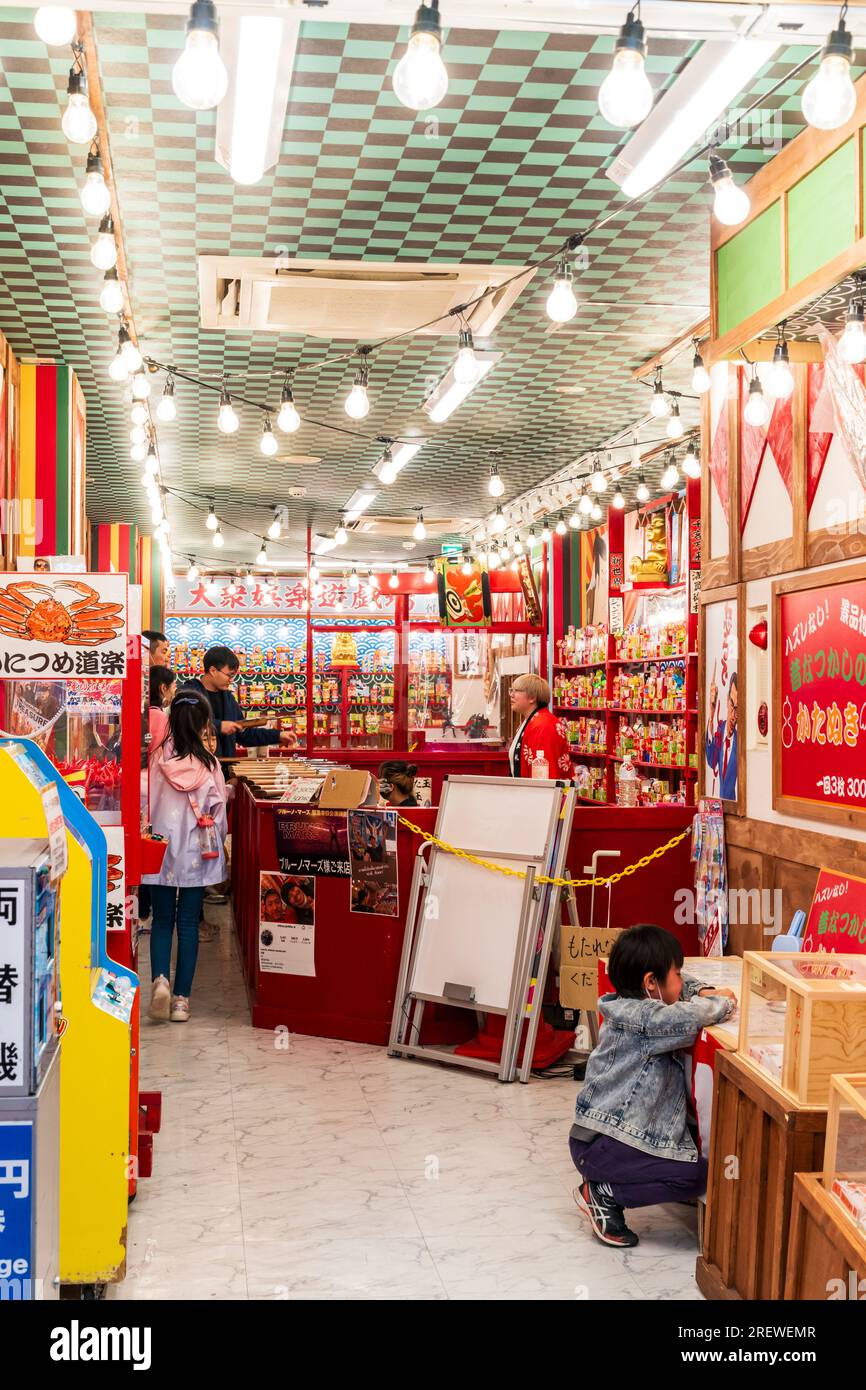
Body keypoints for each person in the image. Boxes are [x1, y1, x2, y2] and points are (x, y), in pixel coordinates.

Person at [569, 924, 736, 1249]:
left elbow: (682, 990)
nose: (681, 979)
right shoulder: (649, 1020)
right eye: (676, 973)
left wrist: (696, 988)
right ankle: (604, 1194)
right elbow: (698, 1015)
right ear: (650, 983)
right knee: (698, 1176)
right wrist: (723, 1001)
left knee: (686, 1148)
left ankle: (628, 1178)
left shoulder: (625, 1001)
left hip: (596, 1139)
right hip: (603, 1146)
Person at [142, 691, 228, 1023]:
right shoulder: (210, 765)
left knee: (162, 921)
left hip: (160, 851)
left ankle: (160, 979)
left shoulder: (154, 761)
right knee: (189, 923)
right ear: (204, 723)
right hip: (197, 854)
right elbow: (218, 817)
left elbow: (143, 806)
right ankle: (180, 1001)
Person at [183, 645, 297, 759]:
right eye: (229, 675)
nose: (231, 680)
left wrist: (278, 735)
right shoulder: (188, 694)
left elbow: (244, 734)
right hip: (195, 769)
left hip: (225, 769)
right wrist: (219, 726)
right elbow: (186, 722)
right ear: (213, 670)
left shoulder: (229, 698)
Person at [508, 673, 571, 778]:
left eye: (517, 691)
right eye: (511, 690)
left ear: (532, 697)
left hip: (540, 793)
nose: (511, 695)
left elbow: (544, 775)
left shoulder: (543, 726)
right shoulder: (533, 720)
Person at [705, 669, 738, 800]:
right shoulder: (720, 729)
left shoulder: (740, 742)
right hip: (720, 808)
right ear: (726, 700)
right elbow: (712, 761)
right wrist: (711, 714)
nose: (733, 715)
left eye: (738, 709)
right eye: (732, 704)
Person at [148, 664, 176, 755]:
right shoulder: (158, 715)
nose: (173, 693)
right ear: (163, 688)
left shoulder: (147, 711)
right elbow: (153, 748)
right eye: (173, 688)